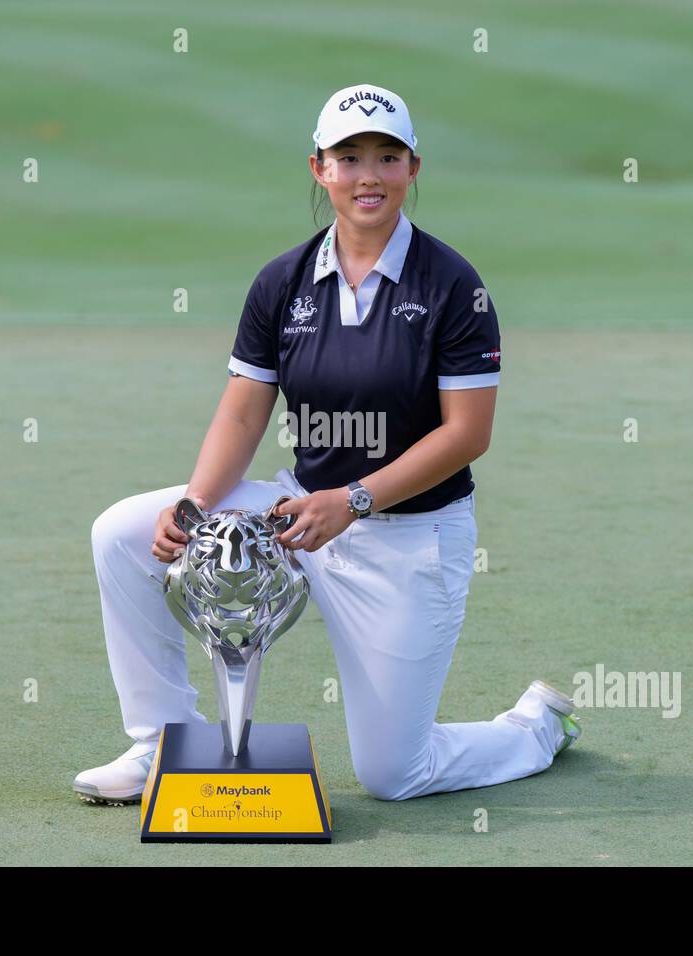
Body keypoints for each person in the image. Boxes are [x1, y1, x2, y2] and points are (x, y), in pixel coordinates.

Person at [75, 83, 580, 805]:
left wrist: (355, 500)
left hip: (409, 536)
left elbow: (468, 433)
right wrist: (194, 502)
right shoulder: (282, 282)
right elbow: (245, 415)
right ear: (319, 169)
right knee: (121, 532)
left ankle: (532, 728)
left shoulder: (453, 285)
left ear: (413, 168)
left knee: (393, 773)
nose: (367, 174)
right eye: (348, 157)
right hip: (297, 515)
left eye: (386, 156)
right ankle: (159, 741)